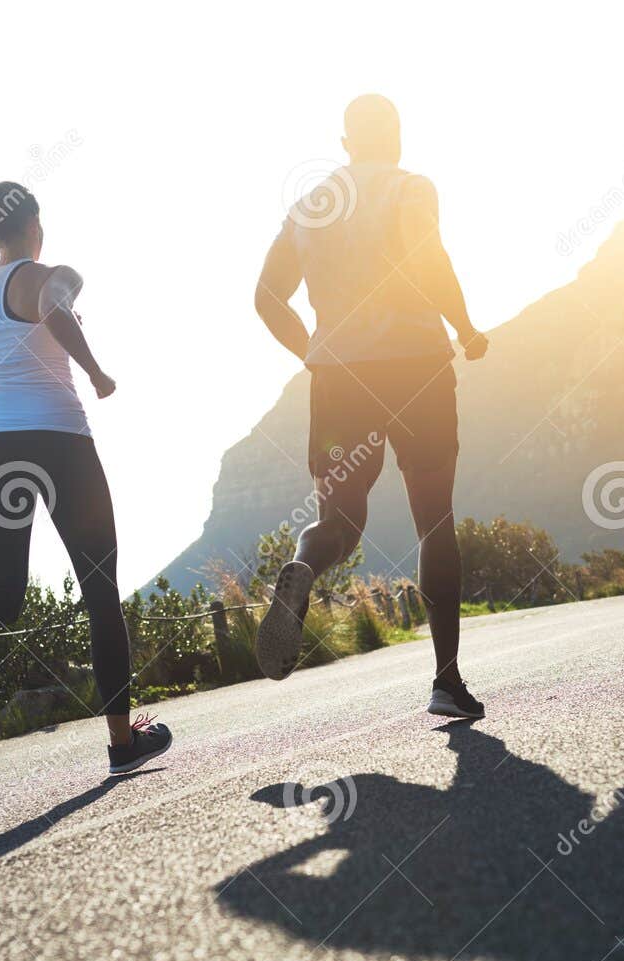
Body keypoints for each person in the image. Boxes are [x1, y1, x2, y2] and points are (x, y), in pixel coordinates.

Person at [0, 169, 171, 777]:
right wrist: (96, 372)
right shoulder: (54, 276)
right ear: (32, 226)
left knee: (3, 592)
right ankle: (120, 742)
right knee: (99, 588)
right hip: (60, 442)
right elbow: (58, 312)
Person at [253, 94, 488, 719]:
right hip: (416, 367)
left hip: (339, 377)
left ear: (347, 141)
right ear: (397, 137)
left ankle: (303, 567)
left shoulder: (310, 204)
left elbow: (266, 297)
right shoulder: (411, 189)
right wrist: (464, 327)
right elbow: (429, 260)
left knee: (339, 524)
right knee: (434, 521)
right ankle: (445, 682)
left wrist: (314, 351)